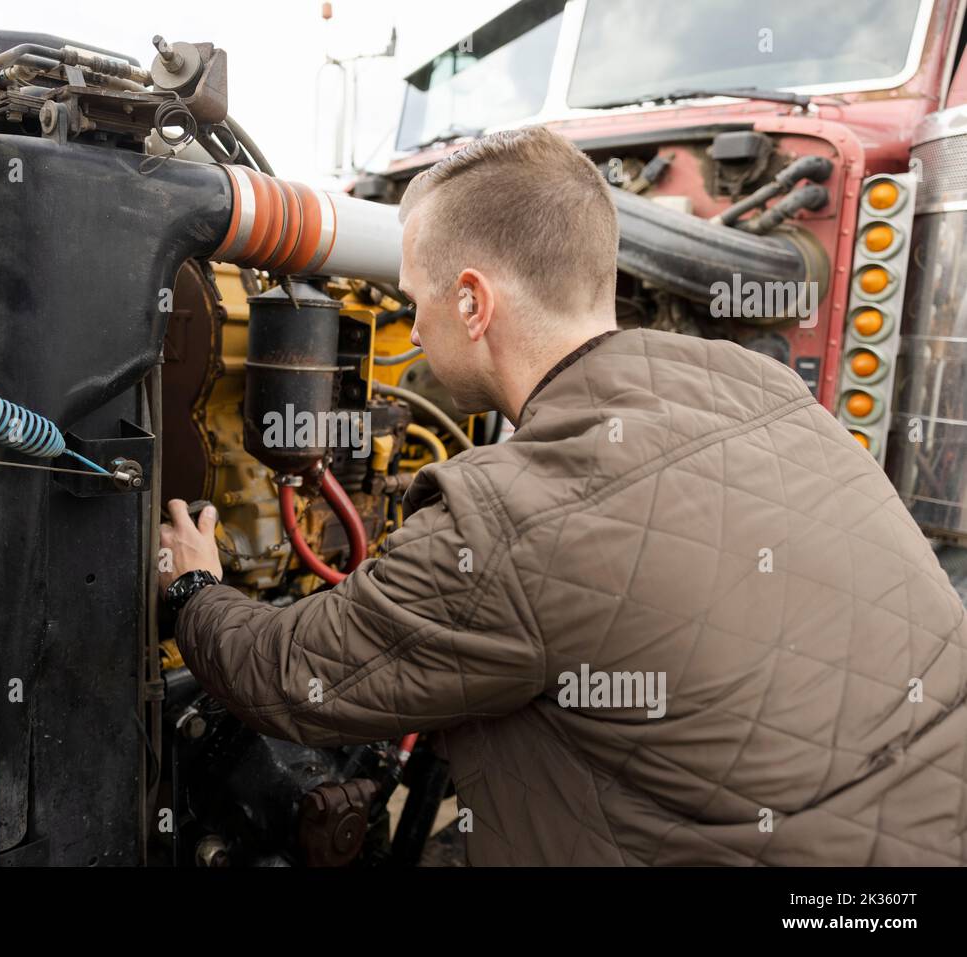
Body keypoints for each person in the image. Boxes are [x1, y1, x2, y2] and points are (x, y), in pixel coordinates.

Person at [159, 126, 967, 866]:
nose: (410, 330)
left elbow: (290, 677)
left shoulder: (509, 521)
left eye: (415, 302)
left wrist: (193, 586)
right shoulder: (761, 385)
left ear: (473, 302)